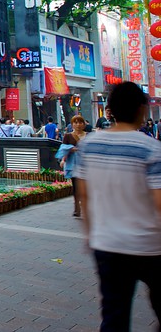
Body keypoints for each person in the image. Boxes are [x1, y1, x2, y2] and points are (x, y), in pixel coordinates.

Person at [76, 82, 161, 331]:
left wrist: (91, 235)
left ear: (110, 110)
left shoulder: (89, 144)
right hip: (150, 246)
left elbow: (84, 195)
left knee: (114, 316)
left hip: (107, 245)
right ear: (142, 109)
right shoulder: (151, 149)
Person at [60, 115, 87, 218]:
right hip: (73, 164)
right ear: (72, 125)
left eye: (80, 122)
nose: (78, 125)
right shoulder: (68, 136)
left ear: (84, 124)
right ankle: (77, 208)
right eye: (75, 122)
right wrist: (63, 160)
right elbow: (63, 149)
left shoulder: (88, 135)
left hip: (85, 164)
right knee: (76, 187)